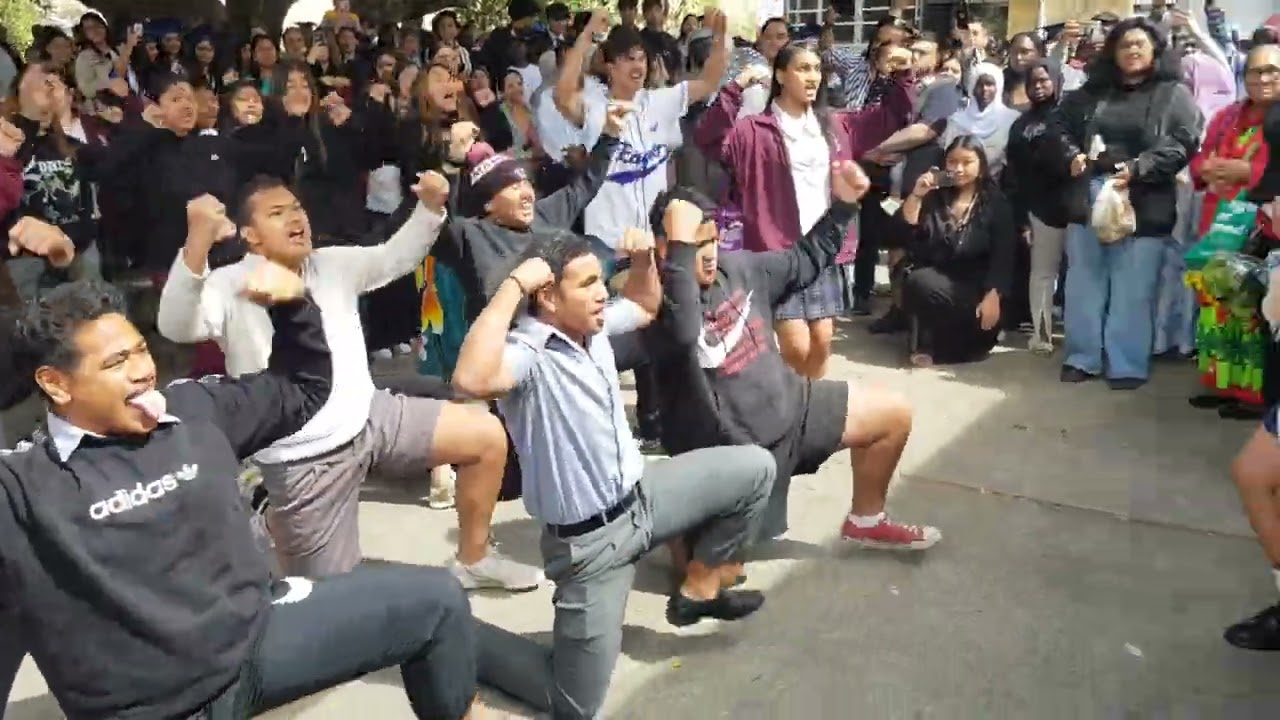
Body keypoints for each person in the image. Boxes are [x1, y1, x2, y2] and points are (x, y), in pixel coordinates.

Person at [0, 225, 481, 719]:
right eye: (117, 362)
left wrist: (293, 307)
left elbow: (302, 389)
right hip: (153, 706)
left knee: (437, 602)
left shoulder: (193, 409)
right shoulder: (21, 486)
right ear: (56, 384)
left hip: (255, 643)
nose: (143, 370)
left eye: (141, 350)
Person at [451, 216, 776, 720]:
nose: (603, 293)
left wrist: (644, 261)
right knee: (575, 705)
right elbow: (470, 379)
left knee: (755, 469)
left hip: (645, 498)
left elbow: (644, 304)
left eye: (601, 279)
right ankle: (453, 633)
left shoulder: (593, 326)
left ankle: (700, 588)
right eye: (587, 284)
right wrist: (514, 285)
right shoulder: (527, 352)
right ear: (547, 298)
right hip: (592, 547)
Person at [155, 176, 541, 591]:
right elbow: (177, 326)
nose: (295, 218)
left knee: (485, 436)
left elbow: (393, 258)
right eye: (277, 213)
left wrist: (430, 208)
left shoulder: (332, 263)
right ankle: (269, 524)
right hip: (306, 456)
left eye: (296, 208)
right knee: (331, 598)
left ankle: (473, 560)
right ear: (250, 234)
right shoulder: (231, 283)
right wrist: (198, 240)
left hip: (370, 414)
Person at [644, 162, 940, 551]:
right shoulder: (649, 305)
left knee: (893, 414)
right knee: (706, 573)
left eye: (713, 240)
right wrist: (673, 255)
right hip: (732, 455)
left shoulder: (741, 269)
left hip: (795, 411)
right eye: (695, 245)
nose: (710, 254)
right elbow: (683, 331)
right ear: (664, 249)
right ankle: (688, 526)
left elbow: (803, 259)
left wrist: (844, 205)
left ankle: (865, 521)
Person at [693, 43, 914, 378]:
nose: (813, 77)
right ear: (781, 75)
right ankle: (795, 398)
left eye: (816, 69)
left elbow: (893, 116)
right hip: (778, 251)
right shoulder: (753, 130)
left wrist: (903, 73)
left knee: (822, 340)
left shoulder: (837, 125)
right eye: (803, 69)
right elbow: (709, 138)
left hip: (826, 248)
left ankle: (807, 398)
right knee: (796, 345)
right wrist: (736, 88)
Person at [1049, 16, 1201, 390]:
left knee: (1133, 288)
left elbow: (1184, 141)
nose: (1132, 50)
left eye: (1140, 44)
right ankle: (1082, 358)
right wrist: (1071, 154)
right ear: (1113, 52)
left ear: (1155, 51)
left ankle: (1126, 364)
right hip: (1090, 196)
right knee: (1084, 282)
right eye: (1124, 44)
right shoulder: (1091, 92)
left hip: (1144, 198)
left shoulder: (1174, 94)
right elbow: (1057, 127)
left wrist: (1139, 168)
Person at [898, 136, 1016, 366]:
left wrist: (994, 295)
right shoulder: (935, 198)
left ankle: (961, 346)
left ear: (981, 166)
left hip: (978, 291)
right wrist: (917, 195)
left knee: (926, 284)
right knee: (917, 280)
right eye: (952, 162)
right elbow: (907, 234)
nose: (959, 169)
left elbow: (1004, 255)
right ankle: (928, 345)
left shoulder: (996, 203)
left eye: (967, 162)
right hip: (938, 280)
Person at [1004, 59, 1070, 353]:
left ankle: (1076, 334)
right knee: (1043, 273)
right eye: (1033, 82)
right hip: (1040, 210)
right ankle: (1042, 335)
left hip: (1077, 208)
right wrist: (1021, 217)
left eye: (1044, 80)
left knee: (1079, 274)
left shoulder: (1071, 116)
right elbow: (1014, 174)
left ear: (1056, 80)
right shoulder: (1021, 125)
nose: (1039, 86)